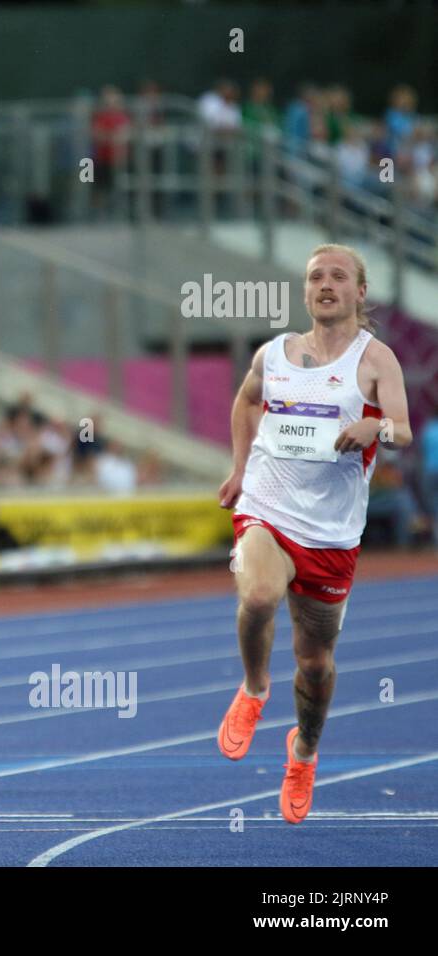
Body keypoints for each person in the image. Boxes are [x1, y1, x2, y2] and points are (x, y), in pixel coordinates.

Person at [217, 244, 411, 824]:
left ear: (359, 292)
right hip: (267, 507)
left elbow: (402, 427)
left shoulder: (376, 361)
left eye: (338, 277)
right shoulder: (274, 354)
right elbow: (247, 401)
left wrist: (375, 423)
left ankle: (303, 751)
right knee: (256, 597)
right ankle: (254, 690)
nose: (326, 284)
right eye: (315, 277)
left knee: (316, 664)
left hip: (331, 534)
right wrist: (238, 466)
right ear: (305, 293)